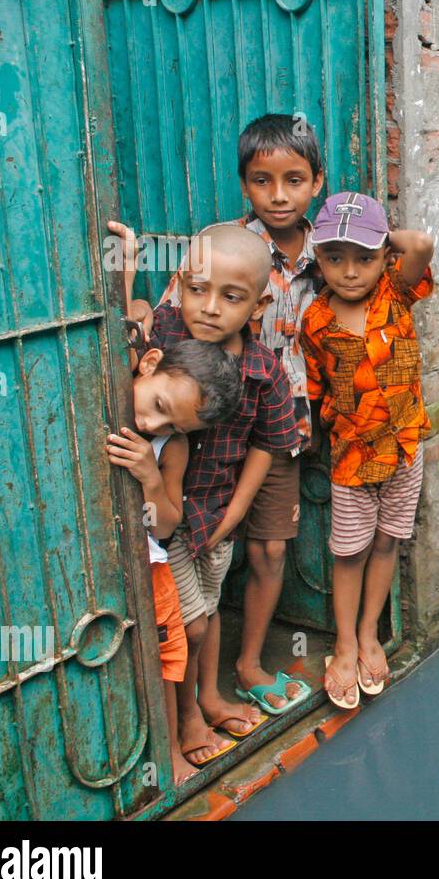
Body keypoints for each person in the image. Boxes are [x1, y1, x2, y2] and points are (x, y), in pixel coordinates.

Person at [156, 113, 324, 714]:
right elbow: (166, 319)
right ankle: (192, 688)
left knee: (267, 550)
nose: (277, 195)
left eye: (293, 180)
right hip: (198, 429)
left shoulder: (327, 252)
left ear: (317, 182)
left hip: (276, 427)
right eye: (261, 180)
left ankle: (250, 663)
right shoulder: (221, 243)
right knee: (192, 554)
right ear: (244, 184)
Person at [128, 220, 303, 764]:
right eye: (197, 289)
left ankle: (208, 697)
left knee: (209, 610)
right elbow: (115, 328)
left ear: (257, 304)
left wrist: (234, 516)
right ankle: (184, 720)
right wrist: (125, 280)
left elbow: (268, 445)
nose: (208, 307)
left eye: (230, 297)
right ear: (179, 283)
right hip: (166, 520)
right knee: (189, 624)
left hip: (215, 513)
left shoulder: (263, 370)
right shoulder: (159, 338)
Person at [299, 192, 434, 709]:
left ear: (384, 258)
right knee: (349, 551)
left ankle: (372, 635)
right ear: (318, 259)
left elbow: (420, 244)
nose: (350, 272)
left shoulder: (395, 295)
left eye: (364, 258)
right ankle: (345, 644)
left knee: (385, 544)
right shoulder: (314, 322)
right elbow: (313, 393)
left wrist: (379, 237)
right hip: (352, 460)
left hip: (403, 450)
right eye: (334, 258)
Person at [106, 338, 242, 784]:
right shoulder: (104, 395)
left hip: (150, 561)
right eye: (157, 403)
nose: (151, 421)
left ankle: (165, 749)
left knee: (169, 650)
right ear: (148, 364)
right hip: (101, 562)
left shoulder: (170, 448)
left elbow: (165, 525)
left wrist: (149, 476)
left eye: (171, 423)